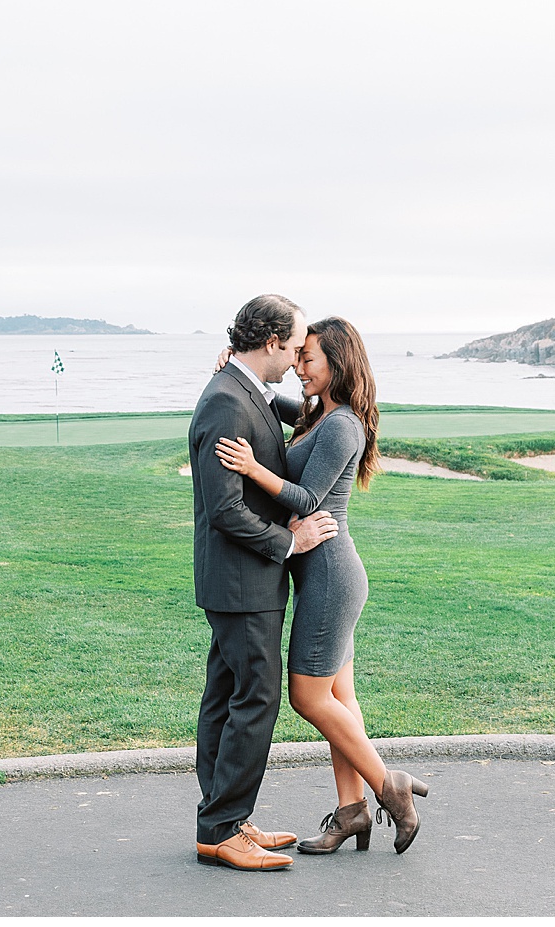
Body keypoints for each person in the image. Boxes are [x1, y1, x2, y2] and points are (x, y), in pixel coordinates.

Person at [213, 316, 429, 855]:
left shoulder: (341, 425)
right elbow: (269, 406)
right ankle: (353, 811)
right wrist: (237, 372)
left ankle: (390, 787)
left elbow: (308, 500)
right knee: (339, 699)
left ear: (337, 363)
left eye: (308, 359)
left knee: (307, 697)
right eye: (296, 355)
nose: (297, 367)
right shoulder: (318, 416)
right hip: (324, 574)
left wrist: (253, 470)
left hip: (330, 575)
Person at [189, 294, 340, 872]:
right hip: (242, 581)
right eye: (297, 345)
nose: (300, 355)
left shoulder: (243, 389)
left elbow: (291, 410)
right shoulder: (228, 402)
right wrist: (291, 542)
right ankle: (222, 829)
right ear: (273, 341)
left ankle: (224, 821)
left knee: (227, 699)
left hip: (240, 582)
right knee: (254, 699)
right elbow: (226, 510)